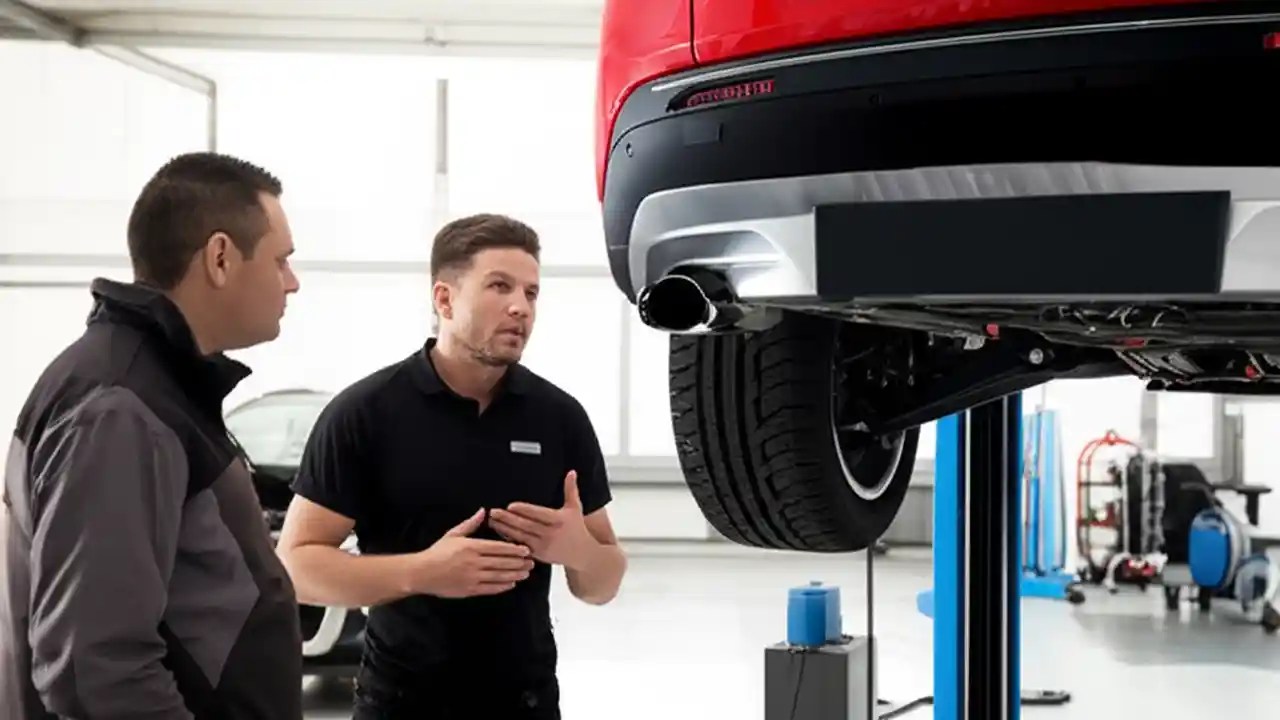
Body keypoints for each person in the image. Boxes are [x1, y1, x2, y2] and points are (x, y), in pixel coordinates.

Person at [277, 213, 627, 719]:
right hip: (401, 703)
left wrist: (577, 551)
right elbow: (297, 566)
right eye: (499, 286)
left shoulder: (560, 418)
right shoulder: (366, 414)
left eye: (531, 293)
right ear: (444, 299)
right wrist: (423, 572)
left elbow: (604, 583)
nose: (519, 308)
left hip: (525, 705)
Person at [0, 152, 304, 719]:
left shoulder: (151, 388)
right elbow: (93, 669)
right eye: (281, 260)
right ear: (220, 257)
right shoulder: (122, 408)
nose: (293, 282)